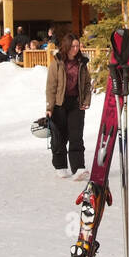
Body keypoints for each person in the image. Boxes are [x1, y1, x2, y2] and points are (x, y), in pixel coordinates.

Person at [45, 33, 91, 179]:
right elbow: (51, 87)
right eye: (73, 46)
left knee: (76, 136)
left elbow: (87, 84)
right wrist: (49, 108)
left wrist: (86, 100)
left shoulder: (82, 63)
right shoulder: (57, 63)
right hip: (60, 104)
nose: (76, 49)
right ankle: (60, 165)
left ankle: (78, 168)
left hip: (76, 103)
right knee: (60, 137)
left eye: (77, 46)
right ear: (66, 46)